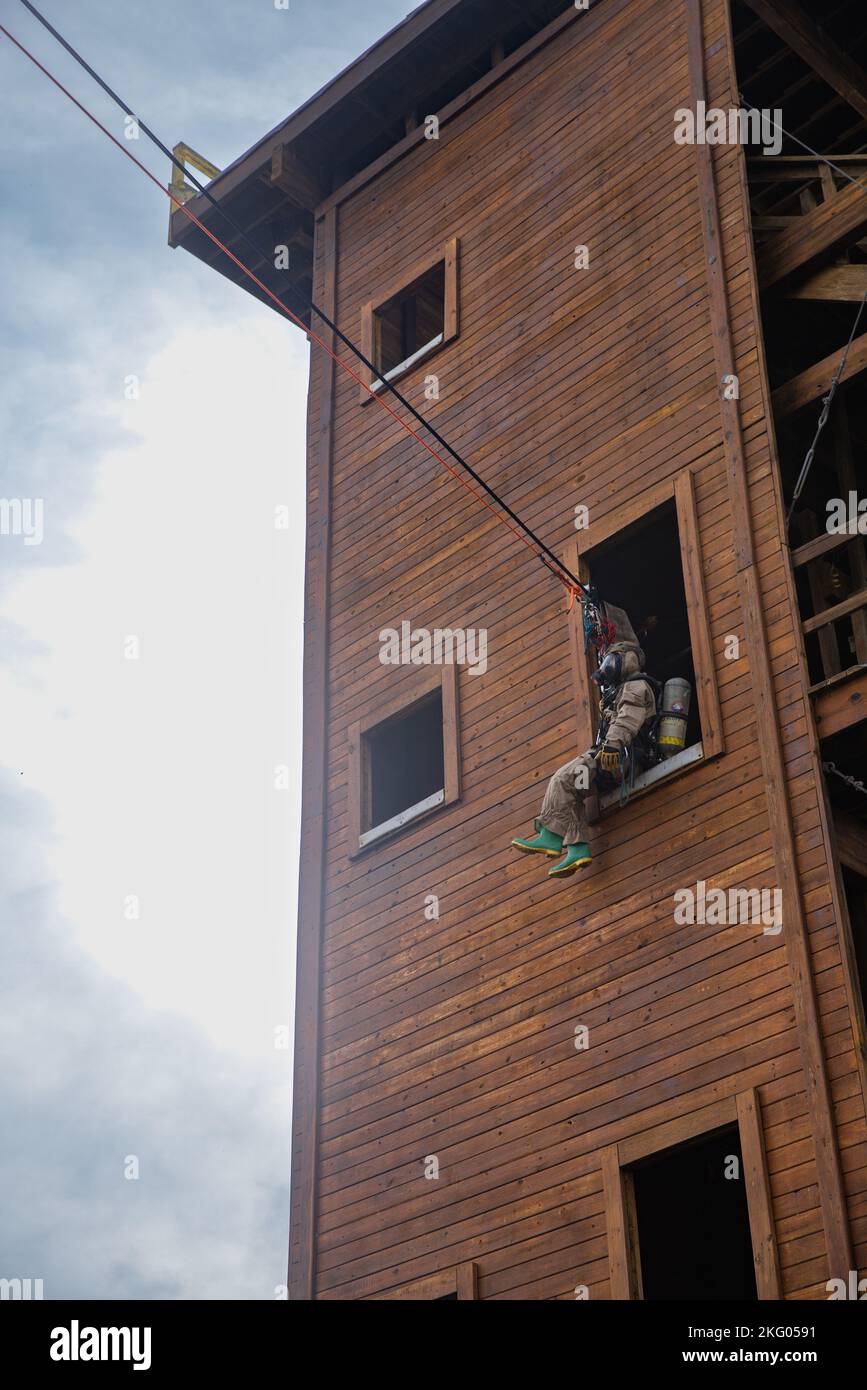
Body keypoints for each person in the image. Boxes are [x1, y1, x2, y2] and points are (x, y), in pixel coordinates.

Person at [511, 606, 657, 879]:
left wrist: (612, 746)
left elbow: (628, 720)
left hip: (621, 757)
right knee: (574, 788)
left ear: (624, 660)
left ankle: (551, 836)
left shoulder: (637, 687)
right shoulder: (617, 692)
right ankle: (577, 849)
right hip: (613, 759)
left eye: (609, 662)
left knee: (562, 779)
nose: (606, 669)